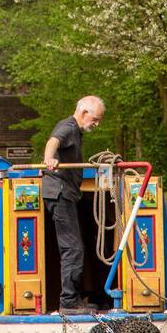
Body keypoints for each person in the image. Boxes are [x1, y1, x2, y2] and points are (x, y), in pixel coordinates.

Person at [42, 96, 105, 313]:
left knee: (74, 247)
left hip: (64, 193)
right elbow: (52, 142)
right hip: (59, 192)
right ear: (84, 113)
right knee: (73, 248)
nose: (96, 124)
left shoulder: (75, 131)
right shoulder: (68, 127)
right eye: (95, 119)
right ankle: (68, 303)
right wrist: (49, 159)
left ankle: (72, 299)